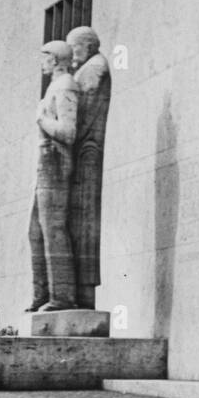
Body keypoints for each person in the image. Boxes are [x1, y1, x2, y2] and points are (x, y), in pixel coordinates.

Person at [28, 40, 78, 311]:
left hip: (56, 162)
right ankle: (41, 294)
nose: (41, 62)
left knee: (53, 229)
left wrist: (41, 120)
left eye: (45, 57)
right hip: (45, 162)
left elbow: (68, 132)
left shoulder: (66, 85)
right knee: (34, 231)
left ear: (57, 60)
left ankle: (62, 297)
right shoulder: (54, 86)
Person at [66, 26, 111, 310]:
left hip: (85, 154)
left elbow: (84, 115)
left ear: (88, 46)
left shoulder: (94, 69)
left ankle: (83, 295)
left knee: (83, 224)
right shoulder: (88, 67)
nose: (72, 55)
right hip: (83, 153)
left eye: (75, 48)